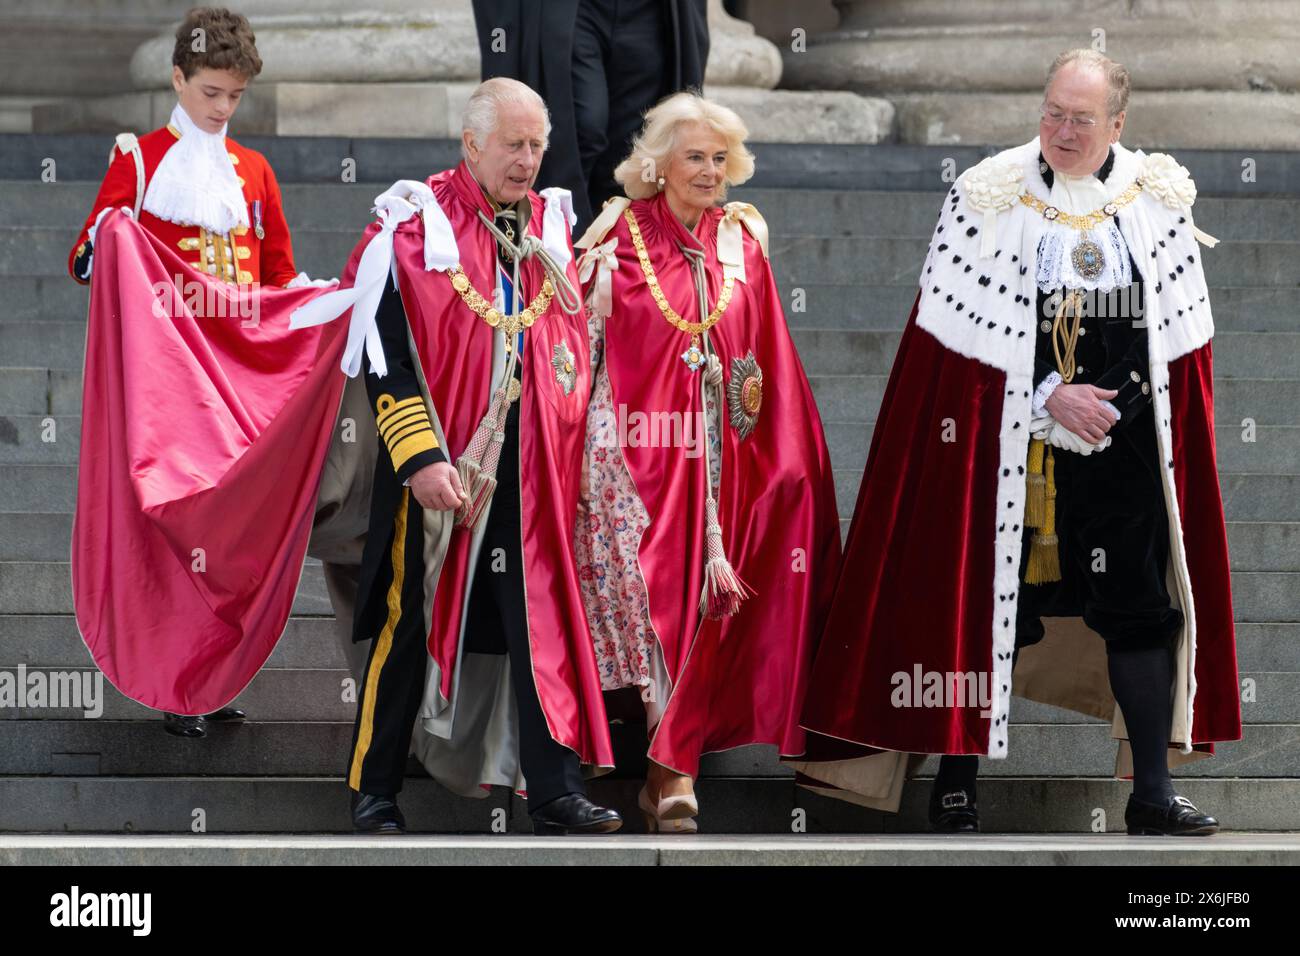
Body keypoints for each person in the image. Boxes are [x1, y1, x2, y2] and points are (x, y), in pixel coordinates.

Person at [793, 50, 1240, 836]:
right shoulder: (987, 192)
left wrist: (1112, 406)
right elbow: (958, 345)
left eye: (1082, 119)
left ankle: (1152, 793)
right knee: (984, 606)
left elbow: (1179, 339)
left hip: (1126, 447)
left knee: (1140, 609)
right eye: (1053, 113)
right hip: (1006, 446)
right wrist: (1048, 398)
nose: (1063, 132)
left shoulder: (1158, 196)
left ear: (1117, 124)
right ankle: (957, 783)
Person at [295, 78, 622, 835]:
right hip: (439, 467)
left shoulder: (550, 222)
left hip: (532, 466)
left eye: (538, 144)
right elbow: (385, 355)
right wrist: (420, 460)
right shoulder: (413, 228)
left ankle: (553, 787)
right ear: (471, 144)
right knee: (409, 620)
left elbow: (566, 346)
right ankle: (374, 789)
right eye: (514, 144)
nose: (528, 159)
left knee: (537, 615)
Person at [572, 92, 841, 832]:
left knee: (707, 598)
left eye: (721, 159)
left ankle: (671, 772)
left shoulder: (743, 239)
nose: (711, 171)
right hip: (633, 454)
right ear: (657, 163)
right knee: (655, 592)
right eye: (695, 156)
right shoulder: (615, 233)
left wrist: (787, 453)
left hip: (728, 460)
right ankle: (667, 768)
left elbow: (771, 356)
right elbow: (582, 350)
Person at [68, 6, 303, 739]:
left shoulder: (256, 173)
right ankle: (177, 684)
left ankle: (217, 674)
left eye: (233, 96)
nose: (221, 108)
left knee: (229, 542)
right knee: (174, 534)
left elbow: (280, 280)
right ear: (178, 78)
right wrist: (110, 233)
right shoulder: (136, 161)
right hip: (166, 390)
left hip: (237, 389)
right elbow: (84, 262)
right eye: (209, 92)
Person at [471, 0, 708, 227]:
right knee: (583, 126)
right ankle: (564, 240)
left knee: (638, 138)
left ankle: (623, 248)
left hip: (649, 12)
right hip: (577, 11)